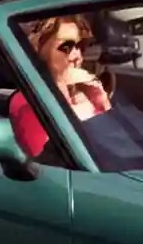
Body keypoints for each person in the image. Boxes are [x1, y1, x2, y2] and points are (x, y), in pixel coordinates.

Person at [9, 15, 113, 158]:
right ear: (41, 48)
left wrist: (103, 104)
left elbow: (116, 145)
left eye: (80, 47)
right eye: (67, 47)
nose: (77, 56)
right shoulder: (28, 102)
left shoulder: (85, 94)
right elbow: (48, 162)